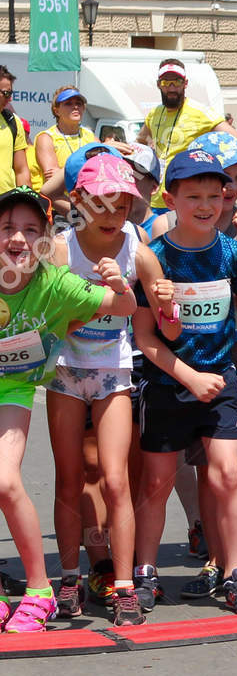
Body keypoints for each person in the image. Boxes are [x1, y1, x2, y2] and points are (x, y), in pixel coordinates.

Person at [131, 148, 237, 614]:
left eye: (216, 194)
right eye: (194, 196)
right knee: (156, 480)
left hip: (222, 382)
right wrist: (188, 376)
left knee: (228, 473)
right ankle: (145, 572)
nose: (208, 204)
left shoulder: (233, 254)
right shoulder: (153, 258)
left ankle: (236, 573)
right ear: (170, 198)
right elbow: (145, 336)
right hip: (169, 384)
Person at [0, 185, 137, 632]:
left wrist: (118, 284)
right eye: (6, 228)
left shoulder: (56, 284)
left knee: (4, 481)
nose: (17, 239)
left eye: (29, 230)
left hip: (14, 390)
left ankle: (40, 591)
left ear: (45, 241)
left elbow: (126, 305)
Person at [46, 156, 168, 627]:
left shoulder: (137, 251)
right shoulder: (59, 249)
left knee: (117, 480)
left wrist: (164, 301)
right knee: (69, 479)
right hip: (66, 371)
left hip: (114, 371)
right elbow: (52, 319)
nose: (114, 211)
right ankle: (71, 577)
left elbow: (164, 324)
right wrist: (109, 300)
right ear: (79, 201)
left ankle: (123, 585)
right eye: (103, 201)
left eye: (124, 202)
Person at [144, 59, 236, 206]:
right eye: (165, 82)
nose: (172, 87)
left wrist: (211, 172)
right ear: (158, 84)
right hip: (154, 200)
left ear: (185, 83)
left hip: (185, 202)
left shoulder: (201, 112)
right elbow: (139, 144)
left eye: (177, 81)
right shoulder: (154, 114)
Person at [0, 66, 31, 193]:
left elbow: (21, 170)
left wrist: (27, 202)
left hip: (6, 202)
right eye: (6, 93)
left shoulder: (12, 121)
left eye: (11, 93)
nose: (10, 99)